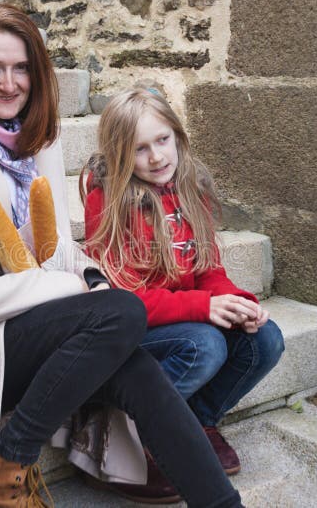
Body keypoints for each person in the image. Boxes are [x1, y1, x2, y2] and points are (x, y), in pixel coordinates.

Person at [0, 3, 244, 507]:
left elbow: (59, 247)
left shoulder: (39, 138)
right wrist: (75, 287)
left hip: (47, 318)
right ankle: (15, 450)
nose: (9, 83)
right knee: (123, 312)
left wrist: (88, 277)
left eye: (21, 67)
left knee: (133, 359)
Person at [83, 88, 285, 478]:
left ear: (177, 135)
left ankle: (197, 419)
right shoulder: (106, 201)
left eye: (163, 140)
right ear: (120, 154)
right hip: (134, 330)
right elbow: (126, 300)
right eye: (140, 149)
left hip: (184, 318)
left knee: (266, 339)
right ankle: (142, 429)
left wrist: (236, 301)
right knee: (204, 345)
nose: (157, 156)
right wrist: (203, 308)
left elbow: (208, 270)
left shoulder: (188, 186)